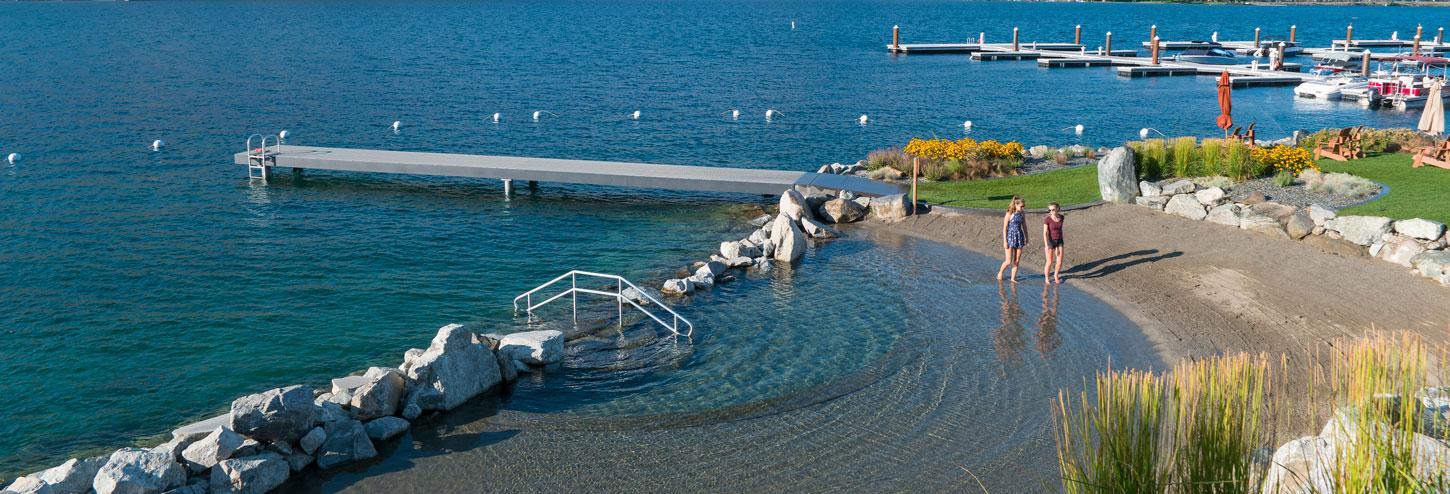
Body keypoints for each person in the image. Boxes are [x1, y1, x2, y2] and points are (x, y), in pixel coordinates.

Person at [996, 196, 1027, 282]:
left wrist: (1026, 237)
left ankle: (1013, 278)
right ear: (1016, 205)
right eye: (1021, 206)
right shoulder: (1009, 214)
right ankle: (1000, 272)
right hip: (1010, 237)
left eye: (1023, 206)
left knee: (1016, 261)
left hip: (1019, 237)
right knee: (1008, 261)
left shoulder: (1022, 214)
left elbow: (1024, 226)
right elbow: (1004, 228)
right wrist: (1005, 241)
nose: (1023, 208)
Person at [1042, 202, 1065, 284]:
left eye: (1053, 209)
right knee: (1049, 262)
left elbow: (1060, 230)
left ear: (1058, 209)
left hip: (1059, 241)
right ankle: (1047, 278)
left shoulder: (1062, 217)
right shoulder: (1047, 219)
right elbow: (1045, 233)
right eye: (1050, 210)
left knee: (1059, 261)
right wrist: (1046, 245)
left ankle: (1056, 275)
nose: (1051, 211)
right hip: (1050, 241)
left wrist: (1060, 244)